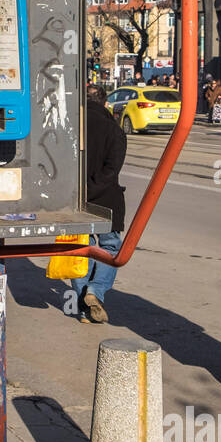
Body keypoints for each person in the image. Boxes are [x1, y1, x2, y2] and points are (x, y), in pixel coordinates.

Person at [69, 84, 127, 324]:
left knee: (79, 251)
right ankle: (95, 291)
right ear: (105, 102)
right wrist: (93, 189)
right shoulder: (114, 130)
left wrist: (79, 193)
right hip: (106, 199)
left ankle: (84, 310)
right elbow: (112, 169)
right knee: (110, 249)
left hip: (73, 201)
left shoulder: (72, 127)